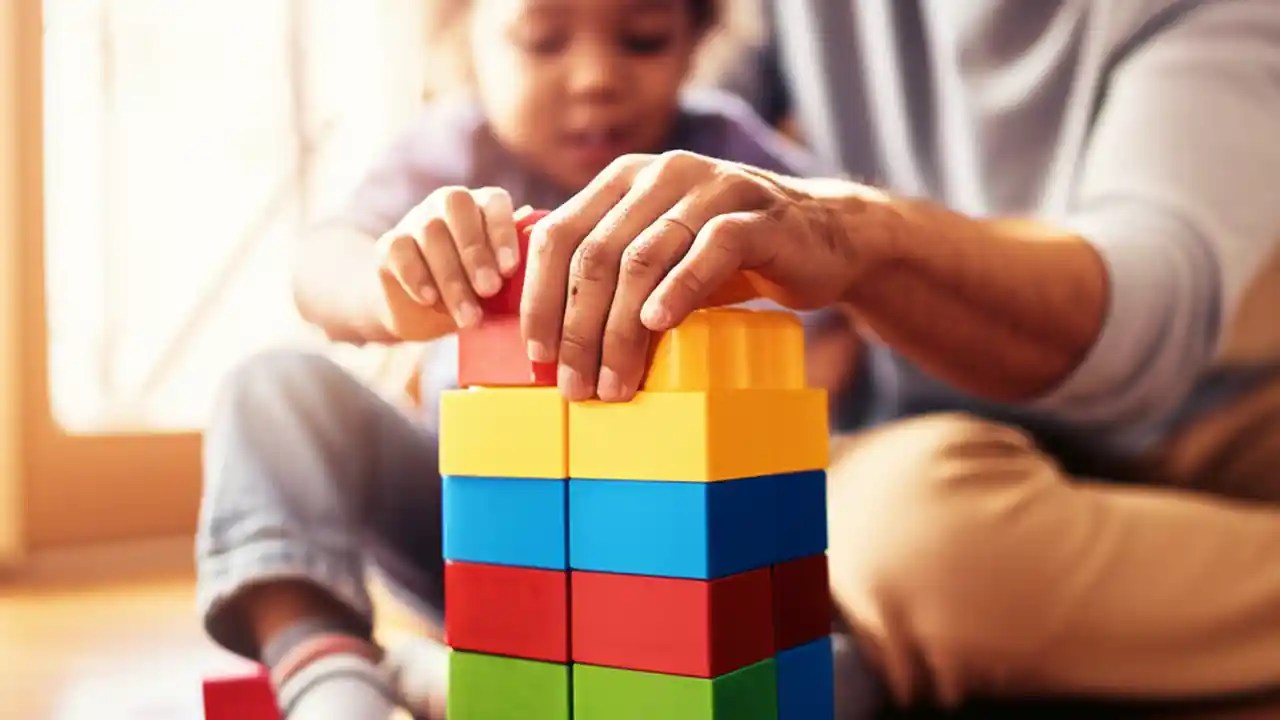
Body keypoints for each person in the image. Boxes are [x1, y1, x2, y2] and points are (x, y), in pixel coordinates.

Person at [499, 0, 1280, 715]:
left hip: (1209, 414)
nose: (596, 75)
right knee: (912, 543)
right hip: (934, 449)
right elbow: (669, 134)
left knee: (917, 554)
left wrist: (858, 236)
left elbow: (1144, 313)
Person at [195, 1, 829, 719]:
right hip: (482, 531)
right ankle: (325, 666)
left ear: (695, 42)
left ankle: (447, 683)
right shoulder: (450, 152)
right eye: (541, 41)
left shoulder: (721, 153)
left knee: (834, 630)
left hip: (683, 550)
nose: (595, 77)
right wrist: (387, 285)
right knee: (273, 390)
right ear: (465, 41)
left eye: (643, 40)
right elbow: (318, 267)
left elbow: (839, 277)